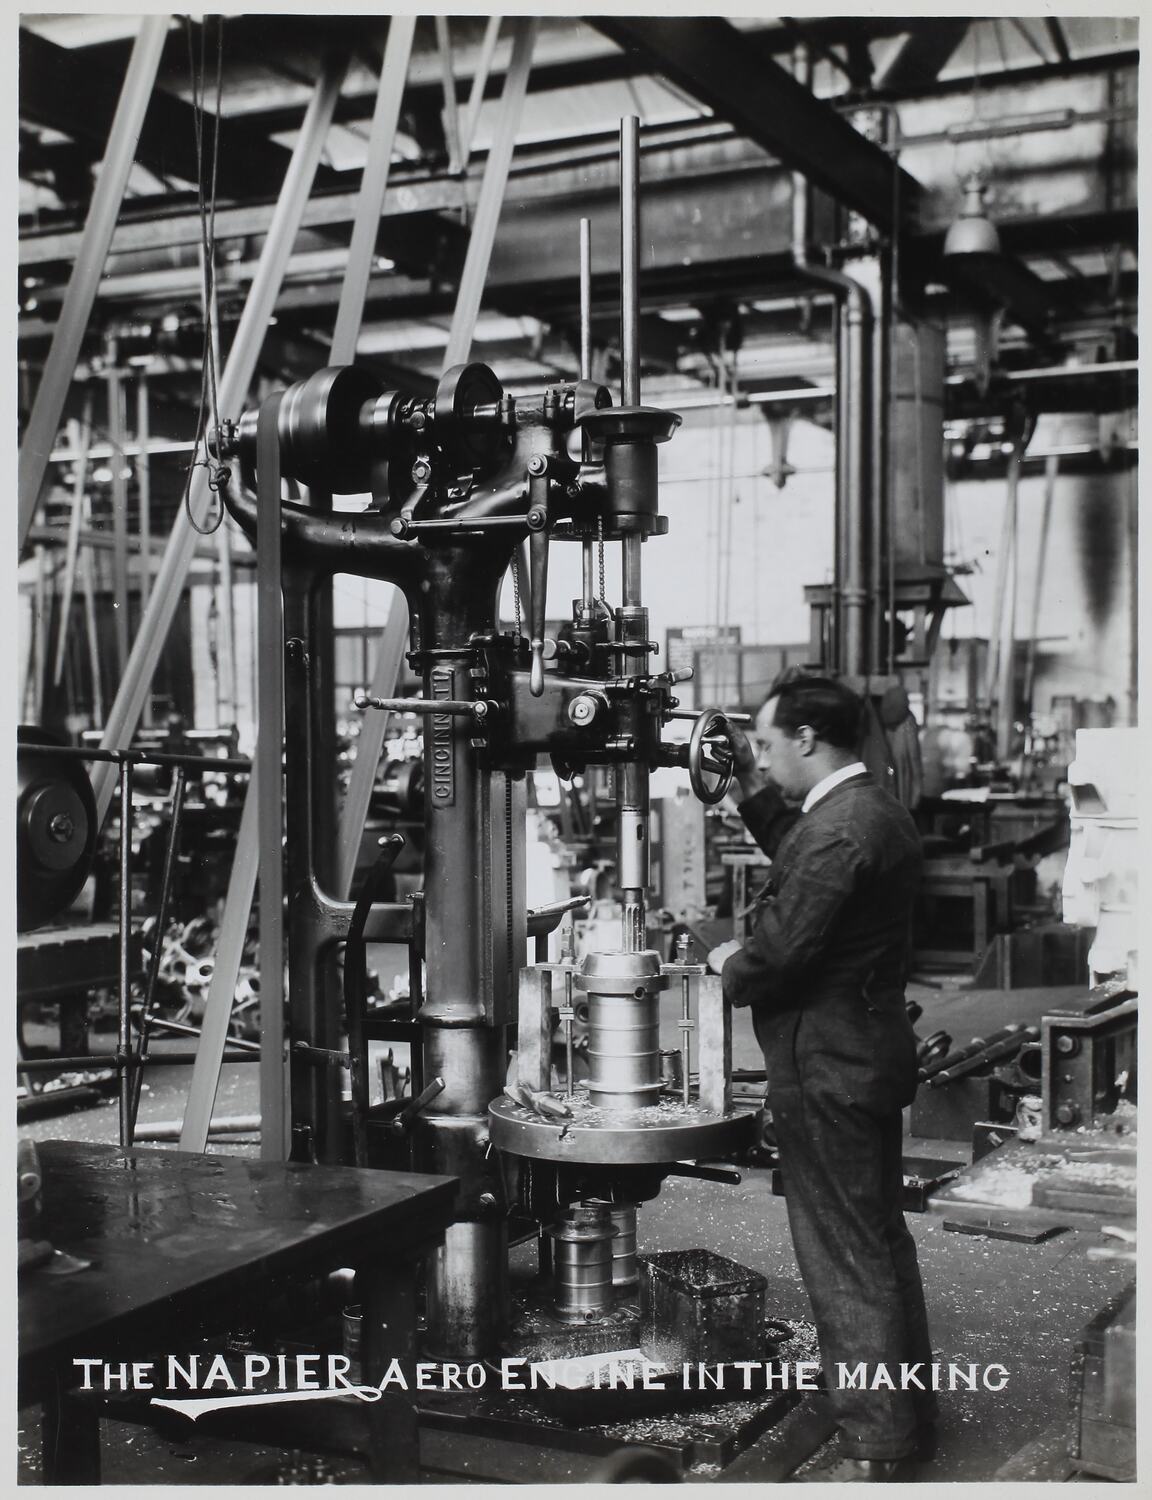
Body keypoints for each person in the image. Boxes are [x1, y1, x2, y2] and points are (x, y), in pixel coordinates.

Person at [708, 675, 934, 1482]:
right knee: (877, 1239)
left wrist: (728, 962)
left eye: (768, 746)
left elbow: (780, 955)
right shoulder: (866, 811)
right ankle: (908, 1416)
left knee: (843, 1256)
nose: (765, 759)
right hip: (866, 1053)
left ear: (807, 739)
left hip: (829, 1065)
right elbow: (801, 858)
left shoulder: (839, 832)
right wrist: (743, 780)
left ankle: (874, 1449)